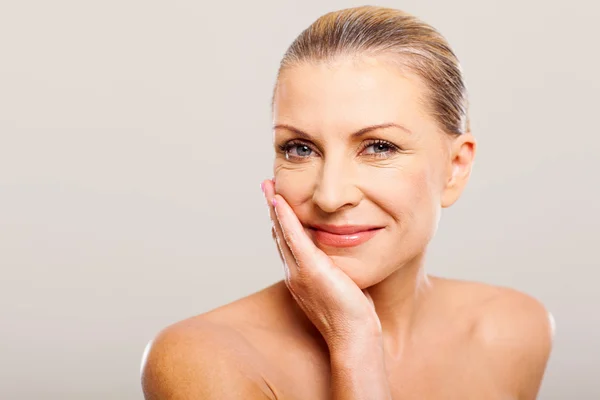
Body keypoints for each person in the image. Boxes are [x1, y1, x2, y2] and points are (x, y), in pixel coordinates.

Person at [140, 6, 554, 399]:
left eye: (378, 146)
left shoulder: (512, 331)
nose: (330, 195)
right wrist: (354, 342)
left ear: (456, 168)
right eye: (300, 148)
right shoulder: (201, 359)